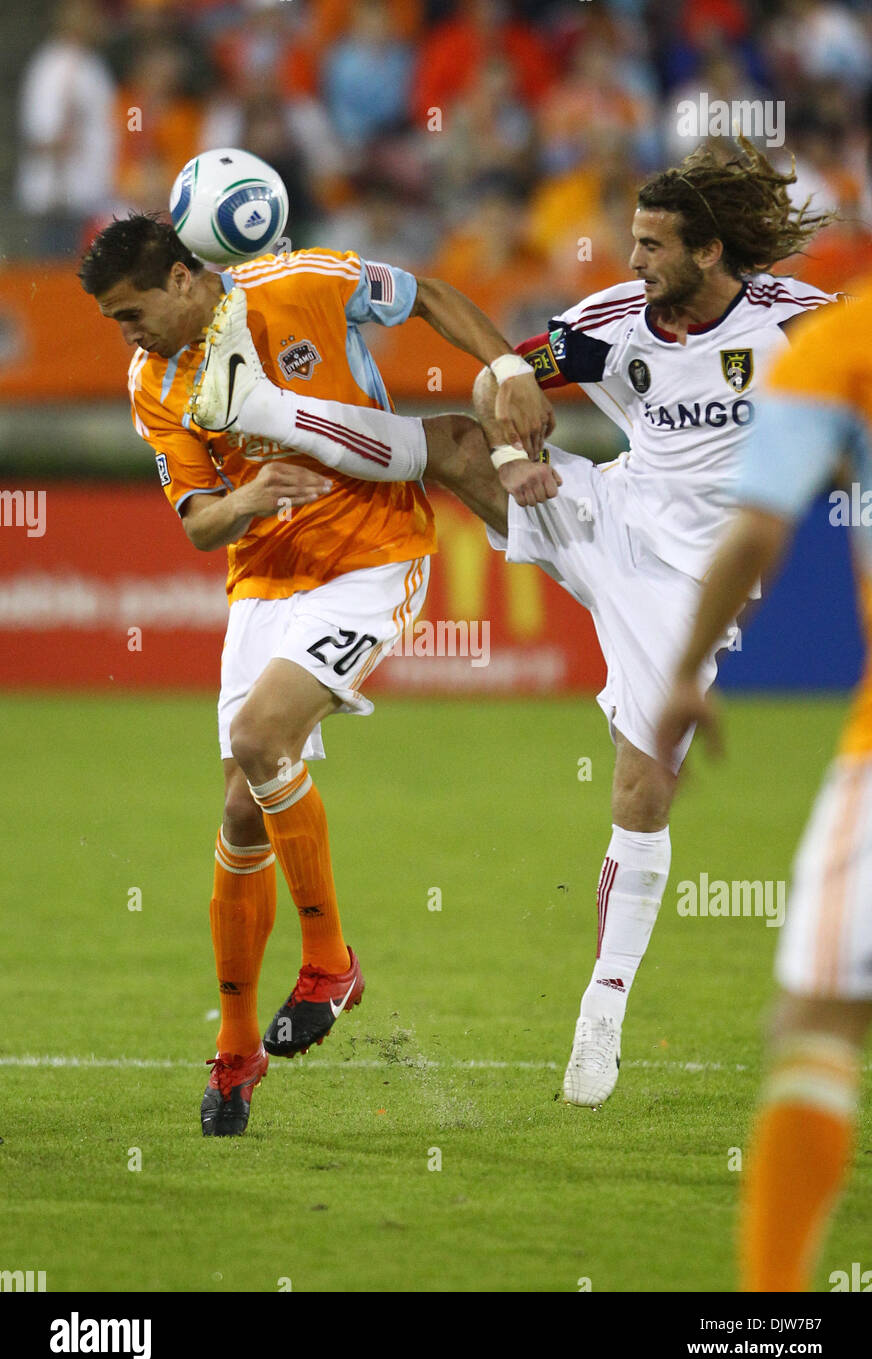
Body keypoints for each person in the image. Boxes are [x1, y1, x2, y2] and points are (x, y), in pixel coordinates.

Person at [188, 139, 836, 1109]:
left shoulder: (799, 323)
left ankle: (601, 1006)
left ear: (707, 252)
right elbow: (501, 377)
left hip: (693, 578)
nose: (631, 261)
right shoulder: (610, 323)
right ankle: (274, 409)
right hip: (603, 514)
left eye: (652, 245)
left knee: (642, 783)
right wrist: (505, 423)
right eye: (629, 239)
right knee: (447, 440)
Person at [78, 214, 551, 1136]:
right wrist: (248, 499)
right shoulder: (154, 382)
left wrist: (510, 370)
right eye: (110, 321)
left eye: (132, 312)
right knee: (237, 808)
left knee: (260, 738)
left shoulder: (306, 283)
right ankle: (236, 1047)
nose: (125, 334)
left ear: (183, 278)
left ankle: (331, 961)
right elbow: (201, 525)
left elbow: (438, 299)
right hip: (263, 581)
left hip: (373, 556)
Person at [656, 282, 870, 1292]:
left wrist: (682, 674)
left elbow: (753, 533)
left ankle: (774, 1311)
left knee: (818, 1020)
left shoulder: (838, 341)